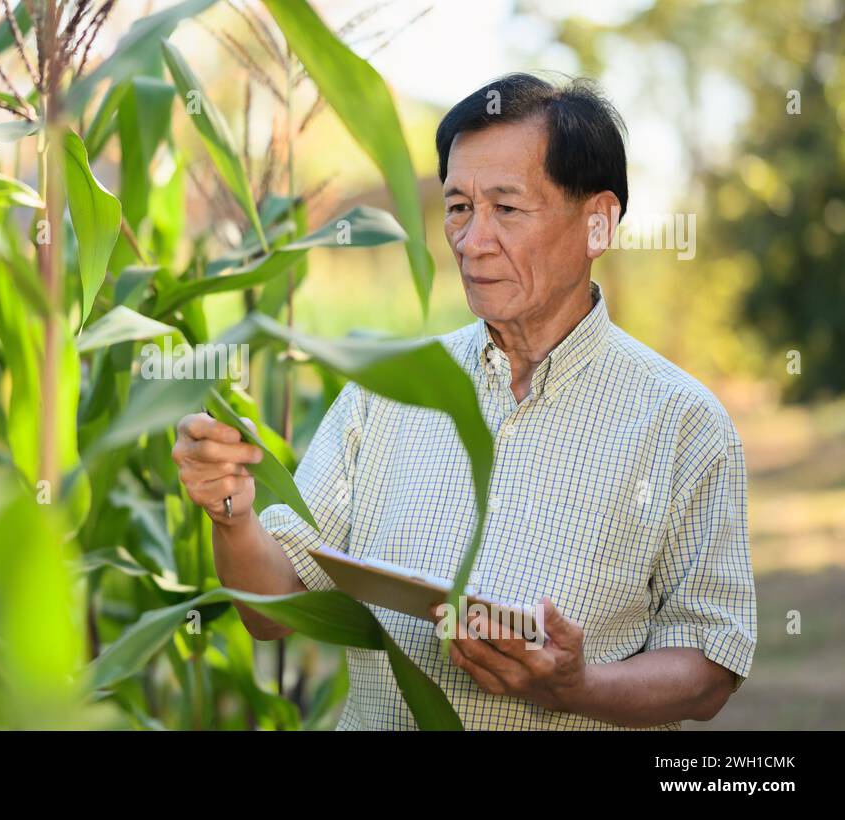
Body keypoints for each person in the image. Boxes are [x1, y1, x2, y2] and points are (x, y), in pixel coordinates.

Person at [171, 73, 756, 730]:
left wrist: (578, 686)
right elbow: (269, 607)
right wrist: (232, 511)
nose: (472, 241)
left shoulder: (683, 424)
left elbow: (709, 667)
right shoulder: (388, 388)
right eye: (457, 208)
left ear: (599, 223)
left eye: (506, 209)